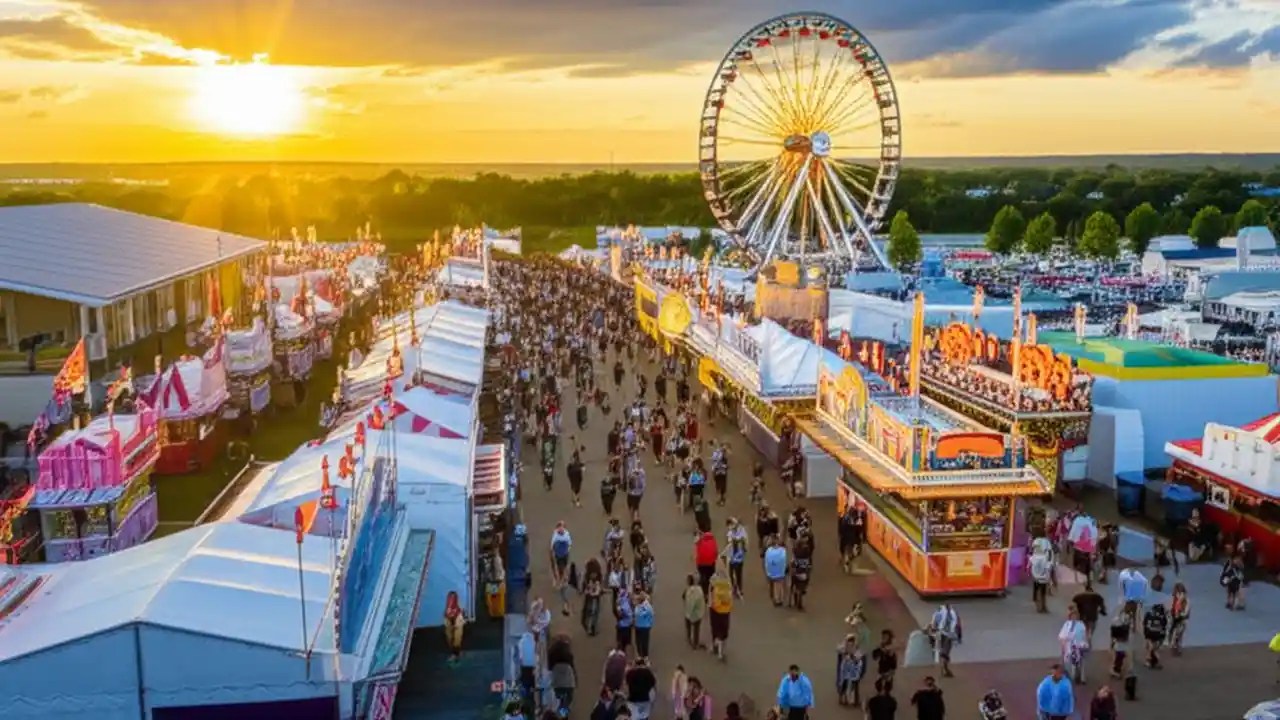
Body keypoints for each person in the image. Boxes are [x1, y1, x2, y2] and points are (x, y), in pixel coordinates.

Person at [708, 562, 734, 659]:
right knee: (723, 630)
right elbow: (730, 593)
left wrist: (710, 603)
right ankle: (720, 651)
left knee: (716, 629)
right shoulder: (727, 580)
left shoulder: (714, 578)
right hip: (725, 609)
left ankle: (716, 648)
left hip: (716, 608)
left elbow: (710, 590)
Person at [1059, 605, 1090, 683]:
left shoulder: (1081, 624)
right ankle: (1073, 676)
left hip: (1079, 645)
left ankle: (1082, 678)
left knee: (1081, 662)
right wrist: (1063, 644)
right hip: (1070, 646)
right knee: (1072, 662)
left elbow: (1084, 635)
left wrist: (1085, 643)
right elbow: (1062, 635)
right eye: (1072, 615)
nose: (1074, 617)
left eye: (1075, 615)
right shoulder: (1067, 624)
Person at [928, 603, 959, 678]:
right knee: (945, 652)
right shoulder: (952, 612)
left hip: (942, 633)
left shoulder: (940, 611)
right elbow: (955, 624)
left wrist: (933, 628)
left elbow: (934, 621)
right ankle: (944, 669)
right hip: (947, 634)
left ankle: (943, 668)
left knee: (943, 651)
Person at [548, 635, 577, 714]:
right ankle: (564, 711)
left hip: (557, 681)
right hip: (568, 681)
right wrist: (576, 680)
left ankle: (560, 710)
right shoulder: (568, 654)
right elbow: (572, 667)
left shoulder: (551, 653)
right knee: (567, 699)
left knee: (558, 698)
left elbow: (549, 667)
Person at [836, 634, 867, 707]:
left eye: (852, 643)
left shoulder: (856, 650)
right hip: (845, 671)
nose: (850, 644)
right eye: (848, 642)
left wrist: (853, 655)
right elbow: (839, 650)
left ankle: (854, 700)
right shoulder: (843, 649)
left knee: (854, 685)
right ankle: (842, 698)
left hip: (854, 672)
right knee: (844, 684)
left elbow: (859, 658)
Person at [625, 656, 658, 720]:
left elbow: (626, 686)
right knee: (644, 718)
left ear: (635, 664)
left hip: (632, 701)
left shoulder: (630, 673)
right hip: (645, 701)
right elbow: (654, 686)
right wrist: (653, 700)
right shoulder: (648, 673)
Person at [1142, 602, 1168, 669]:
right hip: (1154, 634)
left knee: (1152, 648)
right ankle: (1152, 661)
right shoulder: (1161, 616)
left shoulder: (1149, 614)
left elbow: (1144, 624)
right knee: (1153, 648)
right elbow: (1164, 626)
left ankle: (1150, 661)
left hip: (1152, 634)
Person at [683, 573, 706, 649]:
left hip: (688, 612)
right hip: (697, 613)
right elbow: (703, 599)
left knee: (688, 625)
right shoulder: (699, 590)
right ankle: (695, 642)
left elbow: (683, 597)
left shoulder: (687, 590)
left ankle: (689, 637)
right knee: (696, 628)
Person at [764, 537, 789, 607]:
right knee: (779, 585)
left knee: (775, 585)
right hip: (780, 572)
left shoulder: (769, 551)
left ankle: (777, 598)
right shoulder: (782, 550)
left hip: (772, 572)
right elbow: (784, 560)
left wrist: (768, 571)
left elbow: (767, 562)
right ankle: (779, 599)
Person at [443, 590, 466, 662]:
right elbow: (446, 618)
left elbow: (459, 619)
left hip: (457, 619)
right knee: (449, 637)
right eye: (450, 598)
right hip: (450, 619)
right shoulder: (447, 610)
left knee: (457, 637)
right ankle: (454, 653)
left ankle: (455, 654)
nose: (451, 600)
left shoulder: (458, 610)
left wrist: (456, 625)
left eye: (453, 598)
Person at [1169, 581, 1190, 655]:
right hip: (1174, 619)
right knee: (1175, 633)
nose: (1180, 595)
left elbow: (1186, 612)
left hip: (1181, 620)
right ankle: (1174, 646)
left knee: (1179, 634)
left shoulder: (1186, 601)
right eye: (1179, 593)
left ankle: (1177, 646)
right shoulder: (1173, 600)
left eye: (1182, 593)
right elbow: (1170, 610)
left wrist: (1181, 613)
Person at [694, 531, 719, 596]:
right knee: (710, 576)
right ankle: (710, 590)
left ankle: (703, 591)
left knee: (702, 574)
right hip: (710, 563)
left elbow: (697, 552)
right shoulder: (713, 540)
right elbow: (716, 552)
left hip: (701, 563)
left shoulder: (699, 540)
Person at [550, 520, 573, 589]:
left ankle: (563, 579)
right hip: (558, 554)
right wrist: (552, 551)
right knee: (560, 567)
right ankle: (560, 580)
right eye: (560, 527)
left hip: (565, 554)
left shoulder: (566, 534)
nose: (561, 529)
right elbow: (552, 544)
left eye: (562, 527)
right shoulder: (555, 535)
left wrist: (568, 549)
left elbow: (569, 543)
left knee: (565, 566)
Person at [634, 591, 655, 660]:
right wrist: (650, 624)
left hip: (639, 627)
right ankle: (645, 656)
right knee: (644, 642)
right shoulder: (648, 606)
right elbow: (652, 615)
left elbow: (636, 615)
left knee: (639, 642)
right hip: (645, 627)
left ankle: (641, 656)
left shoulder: (638, 607)